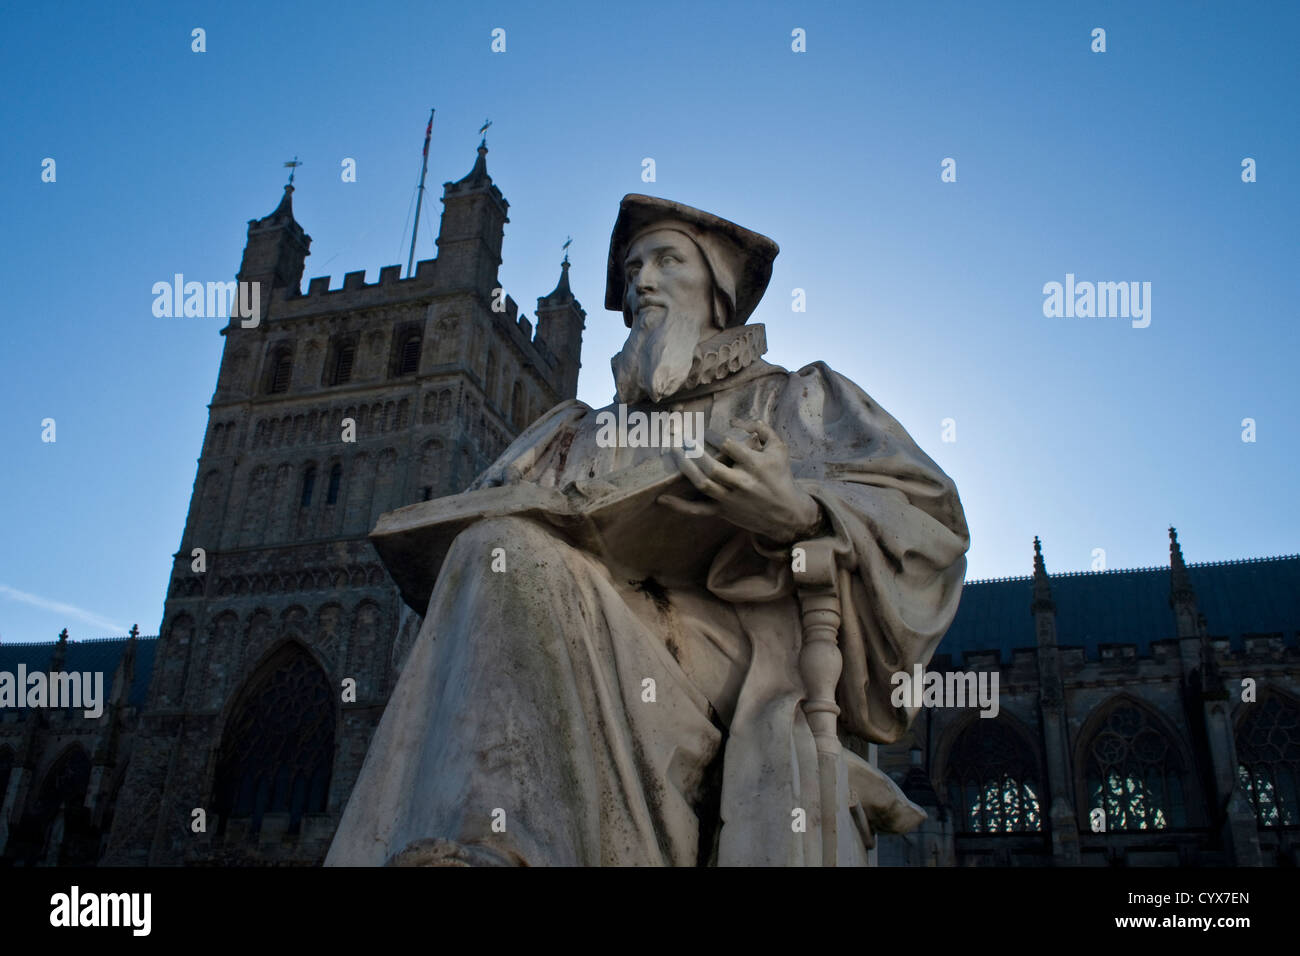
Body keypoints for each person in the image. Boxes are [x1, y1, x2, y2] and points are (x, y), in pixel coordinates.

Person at [325, 195, 970, 866]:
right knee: (496, 550)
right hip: (561, 617)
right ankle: (481, 841)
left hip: (730, 656)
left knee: (513, 556)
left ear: (719, 294)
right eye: (634, 267)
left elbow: (928, 520)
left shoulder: (793, 400)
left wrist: (802, 516)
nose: (642, 281)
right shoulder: (568, 430)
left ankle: (510, 851)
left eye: (667, 261)